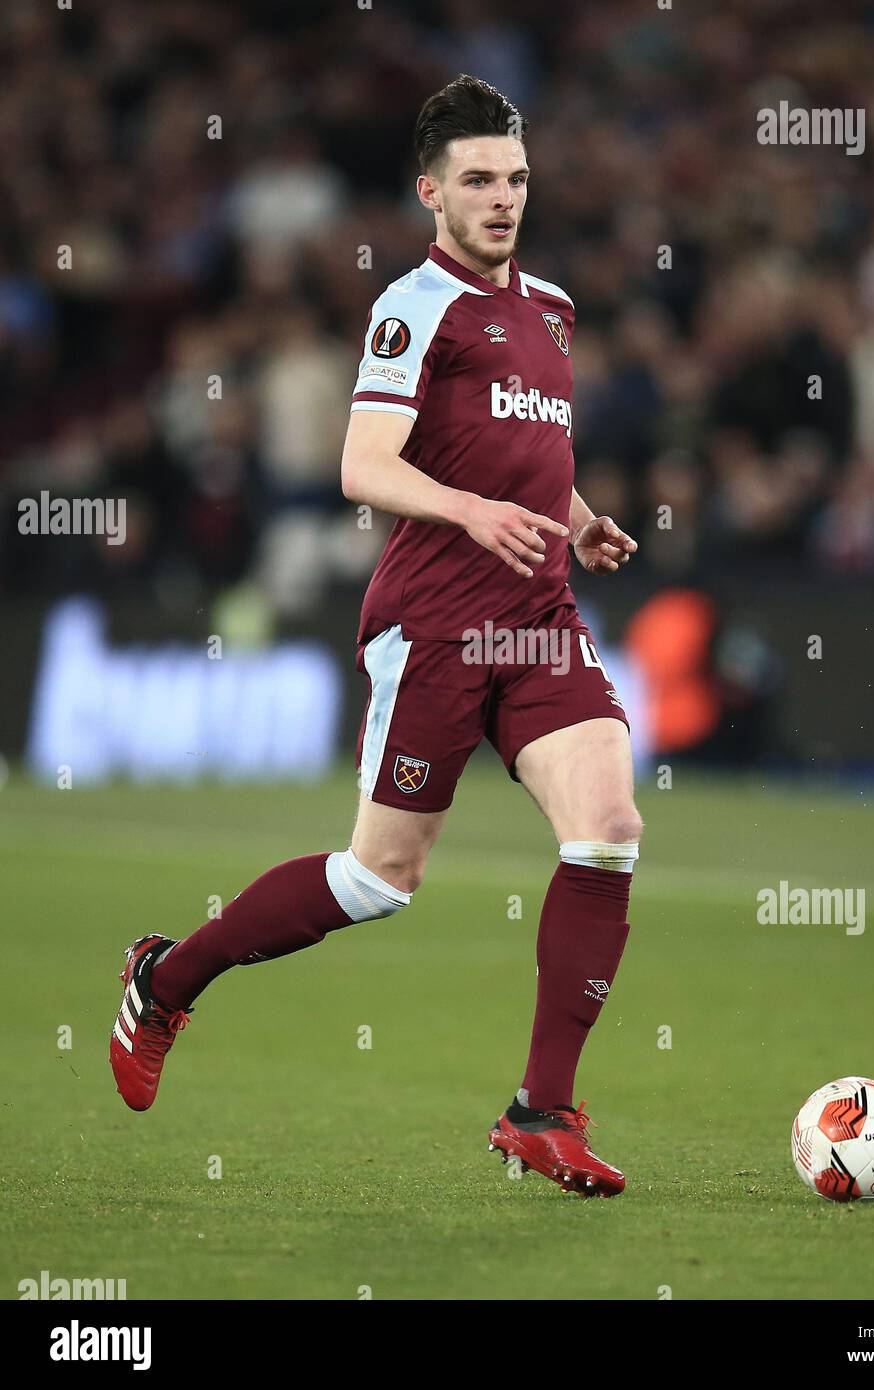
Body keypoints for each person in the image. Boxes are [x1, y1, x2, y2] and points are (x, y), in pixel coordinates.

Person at [110, 74, 642, 1198]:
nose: (502, 200)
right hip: (439, 626)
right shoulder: (413, 306)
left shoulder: (551, 308)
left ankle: (542, 1110)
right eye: (478, 182)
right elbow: (362, 466)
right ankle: (167, 978)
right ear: (430, 192)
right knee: (378, 878)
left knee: (607, 829)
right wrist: (468, 512)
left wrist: (580, 520)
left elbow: (532, 448)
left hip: (540, 619)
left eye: (516, 180)